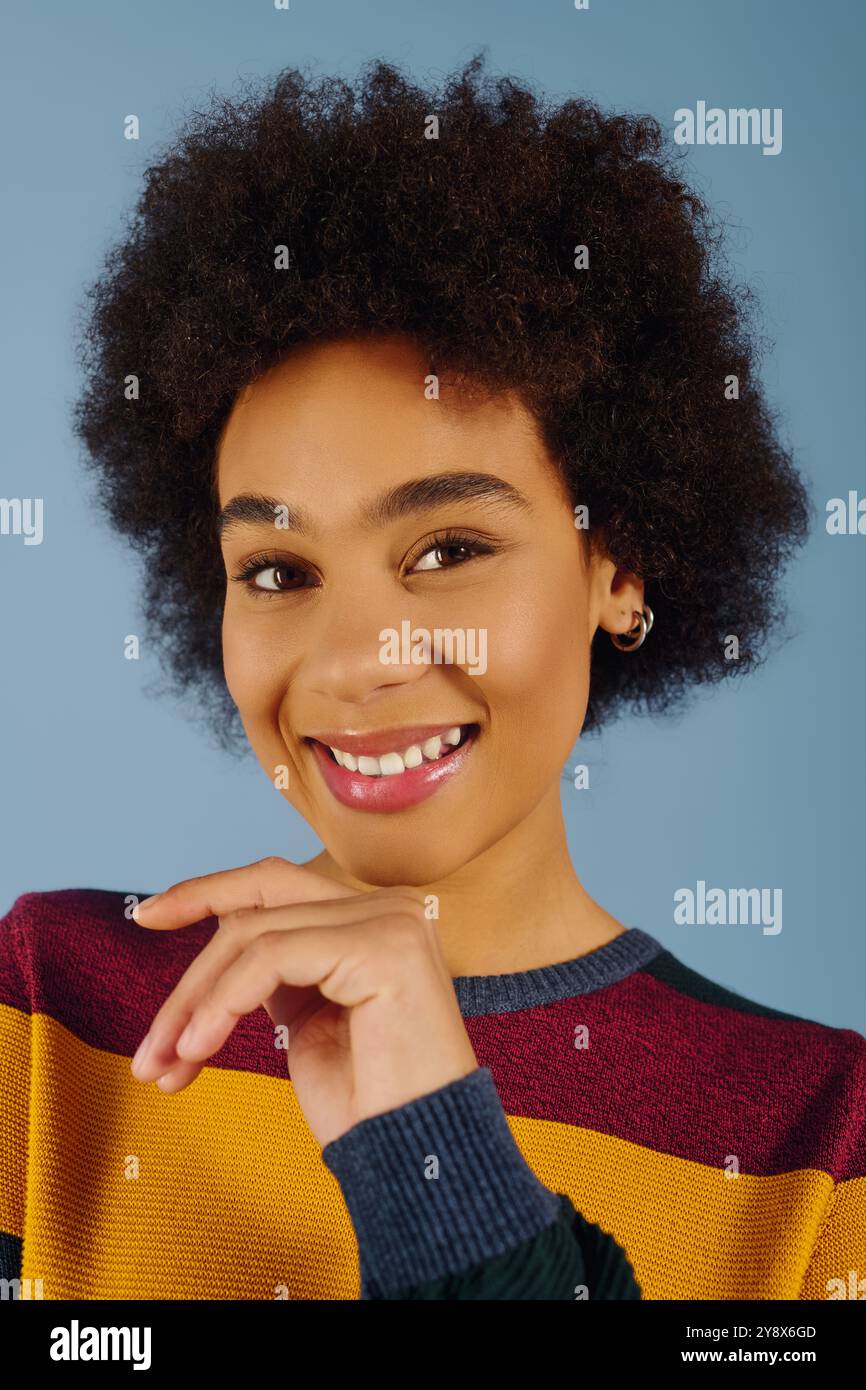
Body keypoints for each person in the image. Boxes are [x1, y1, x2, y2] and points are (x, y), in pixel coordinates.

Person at [1, 56, 861, 1302]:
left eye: (447, 550)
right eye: (279, 569)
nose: (356, 661)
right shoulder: (52, 1017)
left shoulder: (815, 1148)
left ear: (616, 564)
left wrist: (438, 1172)